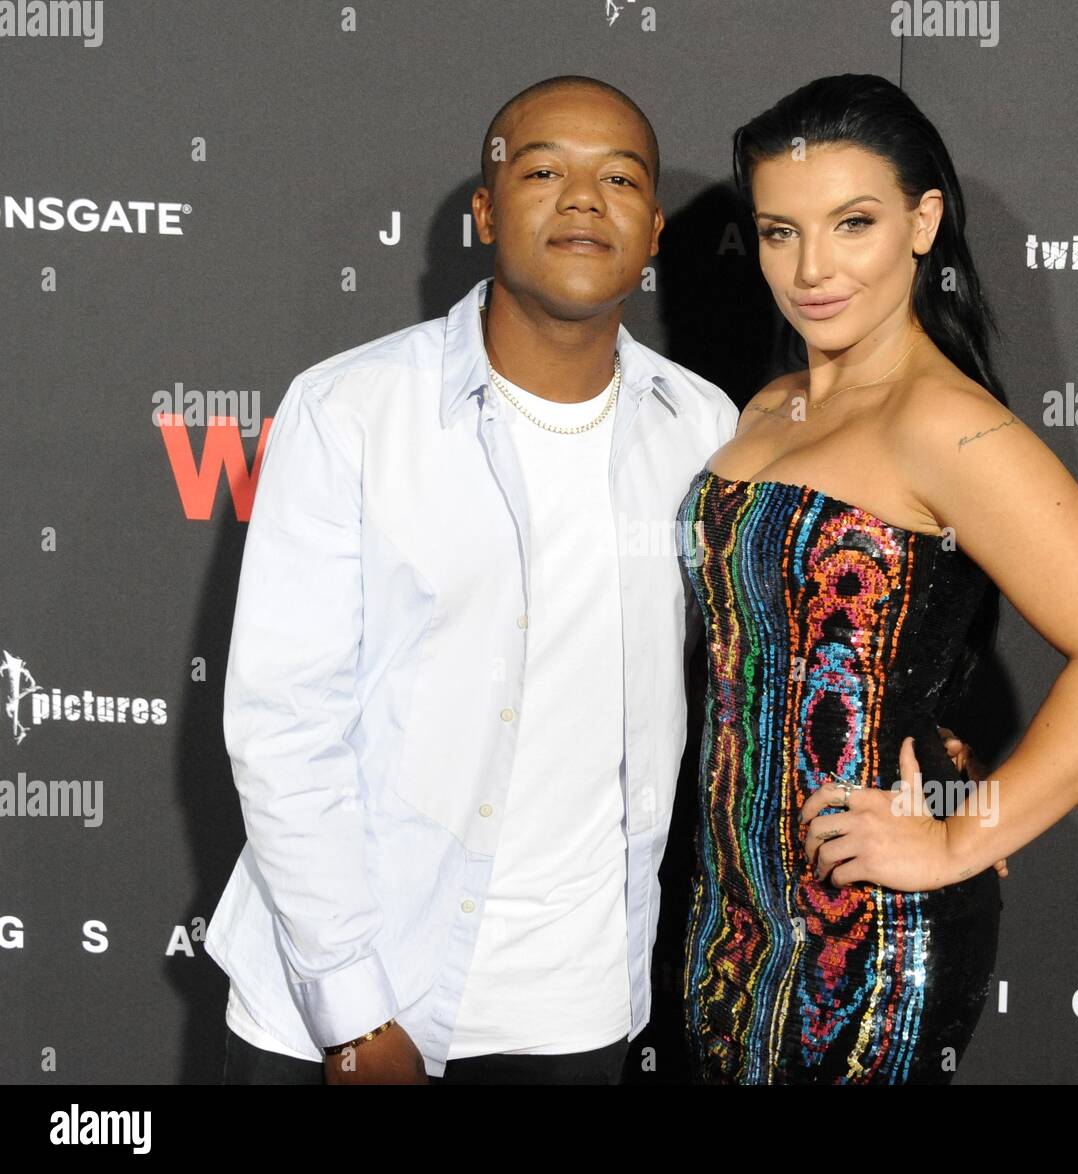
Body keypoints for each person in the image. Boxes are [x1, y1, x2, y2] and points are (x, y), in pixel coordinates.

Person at [207, 73, 988, 1086]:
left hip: (574, 1005)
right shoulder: (350, 412)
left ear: (655, 228)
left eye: (619, 178)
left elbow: (811, 635)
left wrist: (952, 778)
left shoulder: (713, 431)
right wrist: (351, 1014)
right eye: (543, 170)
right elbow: (281, 727)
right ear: (484, 210)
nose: (583, 199)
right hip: (342, 997)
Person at [676, 73, 1078, 1085]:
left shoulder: (945, 425)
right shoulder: (768, 405)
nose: (812, 268)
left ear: (923, 222)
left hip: (867, 936)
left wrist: (962, 835)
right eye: (780, 232)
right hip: (728, 918)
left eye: (852, 222)